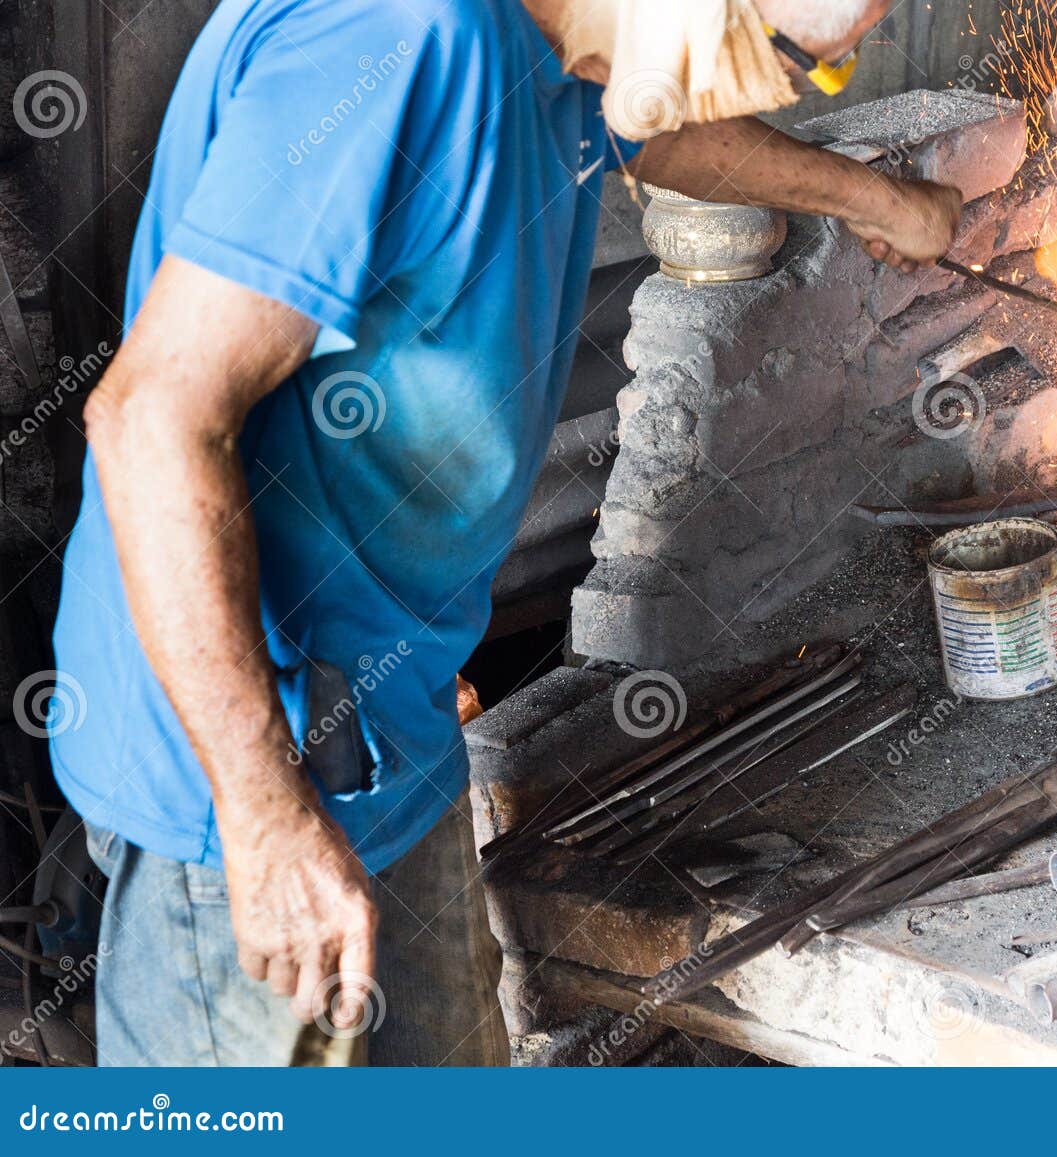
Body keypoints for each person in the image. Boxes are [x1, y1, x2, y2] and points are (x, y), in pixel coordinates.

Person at [49, 0, 962, 1066]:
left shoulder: (572, 36)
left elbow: (656, 122)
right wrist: (265, 823)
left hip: (388, 731)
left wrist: (876, 197)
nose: (795, 83)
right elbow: (152, 417)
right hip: (244, 785)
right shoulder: (392, 41)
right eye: (790, 58)